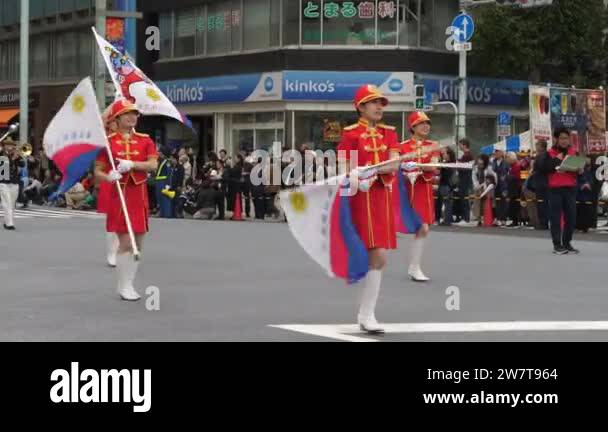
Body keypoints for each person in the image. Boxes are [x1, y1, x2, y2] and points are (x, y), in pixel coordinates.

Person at [337, 84, 400, 334]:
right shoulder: (350, 134)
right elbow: (344, 167)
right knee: (375, 256)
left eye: (381, 102)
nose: (379, 107)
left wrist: (370, 171)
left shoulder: (390, 133)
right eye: (373, 102)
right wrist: (355, 176)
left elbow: (393, 166)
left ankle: (366, 314)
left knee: (379, 257)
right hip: (360, 200)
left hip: (381, 198)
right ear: (360, 107)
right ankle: (366, 314)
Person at [94, 99, 158, 301]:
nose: (132, 117)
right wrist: (109, 176)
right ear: (117, 118)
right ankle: (124, 285)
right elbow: (98, 172)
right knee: (126, 242)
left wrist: (132, 164)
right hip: (119, 196)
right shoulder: (108, 142)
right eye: (127, 113)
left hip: (138, 195)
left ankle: (129, 280)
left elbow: (152, 165)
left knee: (138, 244)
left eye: (135, 114)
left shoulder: (145, 140)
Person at [399, 111, 441, 281]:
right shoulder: (402, 146)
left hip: (423, 191)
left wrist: (416, 165)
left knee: (423, 228)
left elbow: (434, 166)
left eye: (428, 123)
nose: (426, 126)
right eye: (421, 123)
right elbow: (394, 167)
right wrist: (404, 168)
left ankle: (414, 266)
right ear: (412, 127)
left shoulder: (433, 145)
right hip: (405, 191)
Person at [537, 127, 580, 254]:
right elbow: (543, 168)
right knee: (555, 217)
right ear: (556, 139)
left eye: (566, 138)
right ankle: (557, 244)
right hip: (555, 189)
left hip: (570, 188)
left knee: (571, 217)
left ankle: (567, 243)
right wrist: (557, 160)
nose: (564, 141)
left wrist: (580, 170)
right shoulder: (549, 153)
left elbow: (579, 170)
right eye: (561, 138)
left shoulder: (574, 152)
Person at [99, 105, 120, 267]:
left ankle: (123, 249)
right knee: (112, 219)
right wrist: (115, 103)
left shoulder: (130, 137)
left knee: (126, 219)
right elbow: (101, 119)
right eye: (113, 121)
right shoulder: (106, 139)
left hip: (128, 181)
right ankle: (112, 252)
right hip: (111, 180)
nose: (115, 124)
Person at [0, 137, 24, 230]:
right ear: (4, 146)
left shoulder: (15, 155)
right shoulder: (1, 154)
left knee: (12, 204)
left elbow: (23, 165)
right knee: (7, 203)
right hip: (3, 182)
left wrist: (20, 156)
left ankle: (7, 222)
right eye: (8, 145)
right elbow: (3, 169)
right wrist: (13, 159)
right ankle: (10, 224)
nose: (10, 146)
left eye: (12, 145)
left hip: (14, 182)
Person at [472, 154, 497, 225]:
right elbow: (474, 178)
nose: (480, 164)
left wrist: (492, 185)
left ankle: (490, 218)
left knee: (488, 203)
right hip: (478, 188)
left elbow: (494, 177)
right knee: (477, 203)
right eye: (479, 163)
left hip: (487, 188)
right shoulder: (475, 168)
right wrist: (476, 186)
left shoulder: (489, 168)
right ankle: (479, 219)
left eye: (481, 163)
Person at [435, 146, 457, 226]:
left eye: (444, 153)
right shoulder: (451, 163)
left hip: (446, 184)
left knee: (444, 203)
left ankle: (445, 220)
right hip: (447, 185)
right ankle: (446, 219)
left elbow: (438, 172)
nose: (442, 155)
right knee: (446, 203)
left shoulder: (448, 164)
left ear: (449, 154)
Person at [455, 138, 474, 225]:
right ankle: (464, 217)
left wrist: (458, 163)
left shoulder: (467, 155)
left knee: (464, 199)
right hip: (464, 179)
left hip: (465, 179)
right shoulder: (466, 155)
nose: (459, 146)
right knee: (463, 198)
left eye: (460, 144)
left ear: (464, 145)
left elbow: (464, 167)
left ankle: (465, 218)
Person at [576, 158, 594, 233]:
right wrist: (581, 186)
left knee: (586, 211)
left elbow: (591, 181)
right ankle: (578, 225)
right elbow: (574, 182)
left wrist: (588, 185)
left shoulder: (587, 172)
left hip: (586, 195)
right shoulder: (575, 174)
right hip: (578, 196)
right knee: (578, 210)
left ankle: (585, 226)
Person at [155, 147, 174, 218]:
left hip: (163, 181)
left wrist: (168, 184)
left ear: (162, 153)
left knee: (165, 198)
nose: (158, 153)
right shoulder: (160, 161)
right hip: (158, 181)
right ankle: (162, 213)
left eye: (159, 151)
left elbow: (169, 173)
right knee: (159, 198)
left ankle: (167, 214)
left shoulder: (167, 162)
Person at [492, 149, 509, 226]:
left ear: (501, 153)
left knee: (503, 202)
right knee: (496, 202)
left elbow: (508, 172)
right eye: (495, 152)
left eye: (497, 152)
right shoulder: (493, 162)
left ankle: (503, 218)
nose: (496, 153)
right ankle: (496, 218)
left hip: (504, 185)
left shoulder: (506, 162)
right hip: (495, 184)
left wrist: (504, 177)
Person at [505, 151, 522, 228]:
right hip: (512, 188)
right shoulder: (512, 166)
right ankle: (514, 220)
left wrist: (507, 177)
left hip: (516, 188)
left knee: (515, 205)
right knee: (513, 205)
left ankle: (516, 221)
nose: (506, 160)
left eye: (507, 158)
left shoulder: (516, 166)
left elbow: (518, 178)